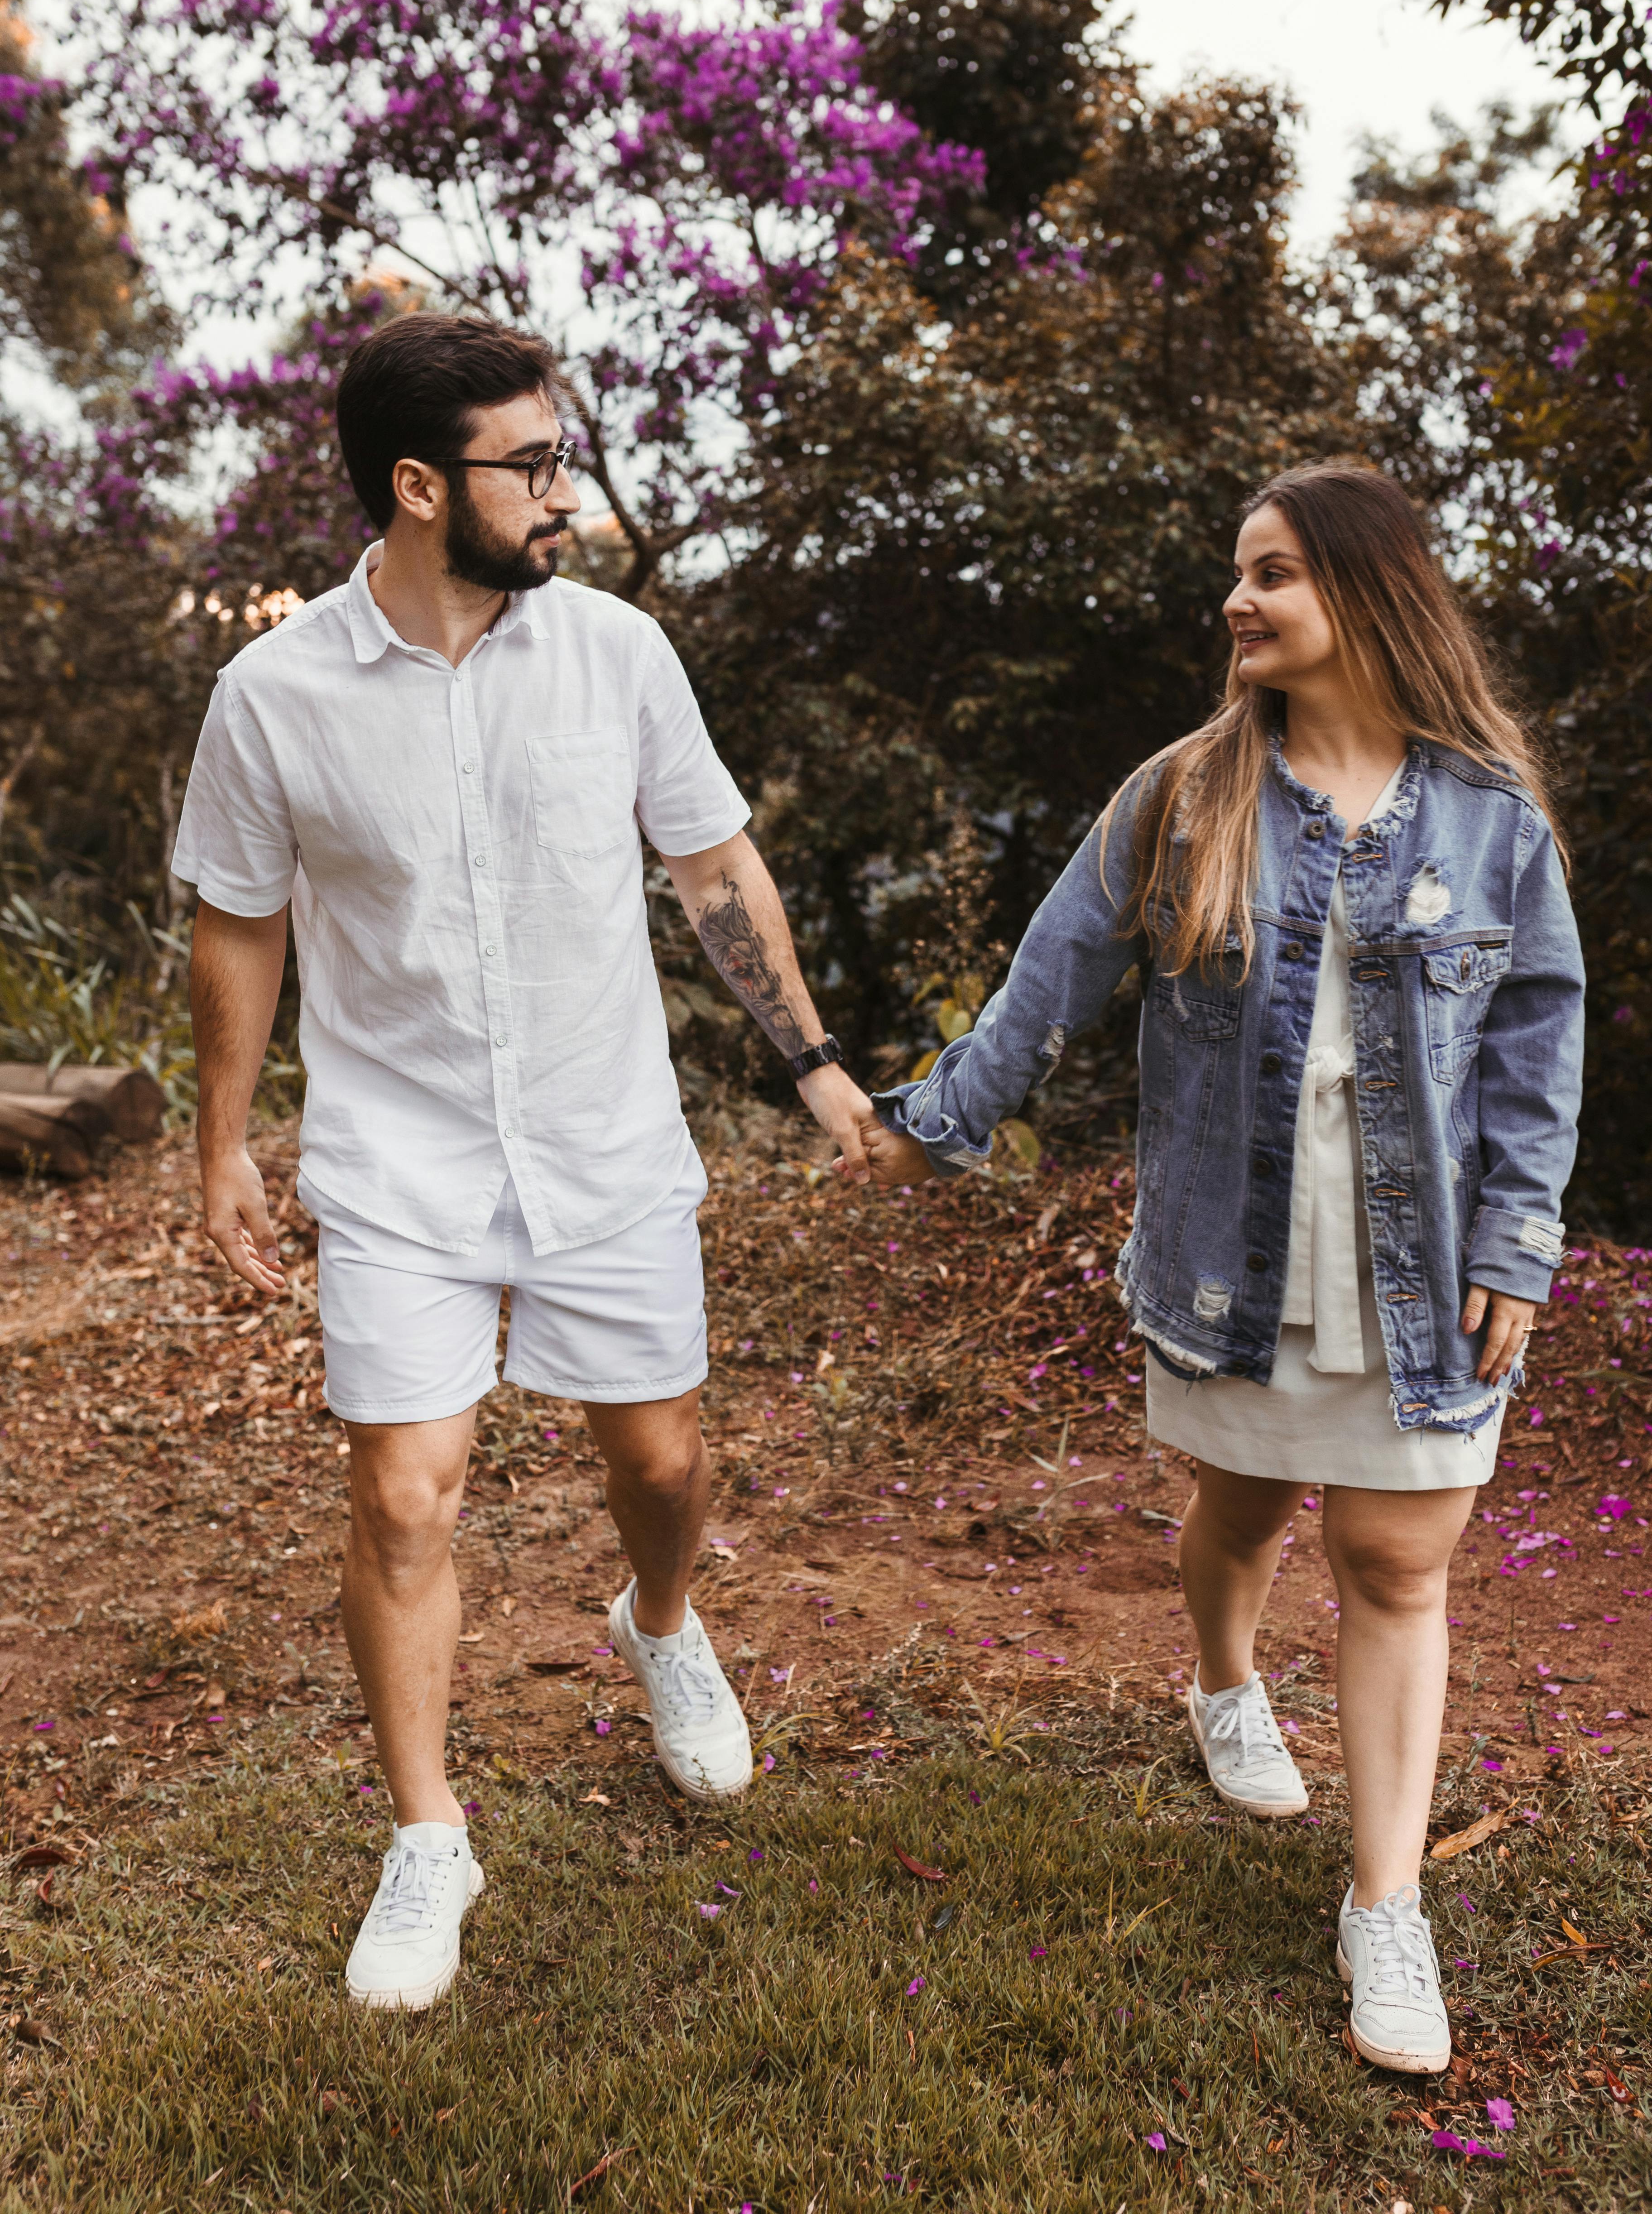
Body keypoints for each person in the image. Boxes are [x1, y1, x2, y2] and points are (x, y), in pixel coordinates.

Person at [174, 310, 875, 2012]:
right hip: (397, 1162)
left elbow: (712, 872)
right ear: (423, 487)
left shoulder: (619, 656)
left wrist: (819, 1070)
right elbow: (239, 932)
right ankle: (429, 1837)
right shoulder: (273, 697)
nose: (565, 491)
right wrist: (223, 1155)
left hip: (605, 1137)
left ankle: (658, 1621)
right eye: (533, 464)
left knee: (661, 1464)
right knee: (404, 1494)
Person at [856, 461, 1584, 2076]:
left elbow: (1537, 1042)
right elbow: (1046, 987)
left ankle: (1383, 1905)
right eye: (1239, 575)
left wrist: (1521, 1237)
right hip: (1233, 1264)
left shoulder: (1491, 817)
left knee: (1401, 1571)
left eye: (1274, 575)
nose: (1239, 603)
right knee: (1242, 1514)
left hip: (1423, 1274)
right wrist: (932, 1128)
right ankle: (1223, 1680)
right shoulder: (1183, 797)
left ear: (1367, 592)